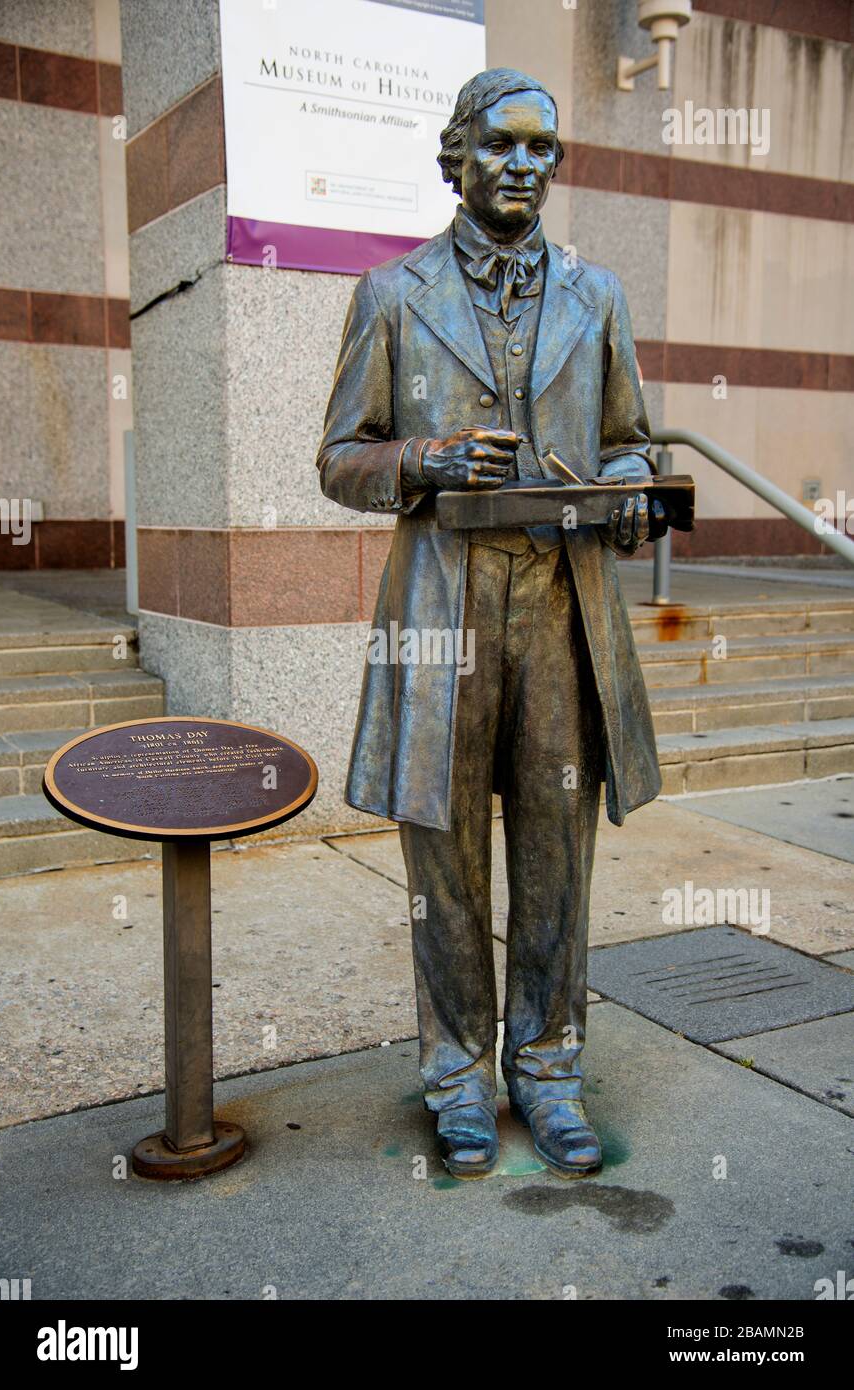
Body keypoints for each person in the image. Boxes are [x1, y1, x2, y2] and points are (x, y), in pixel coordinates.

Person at [317, 68, 665, 1179]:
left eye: (542, 149)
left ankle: (550, 1071)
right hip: (442, 617)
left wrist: (628, 492)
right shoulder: (391, 295)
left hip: (562, 609)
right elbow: (339, 458)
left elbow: (631, 442)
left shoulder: (596, 294)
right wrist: (423, 461)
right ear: (452, 159)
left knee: (557, 857)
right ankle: (459, 1076)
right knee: (446, 856)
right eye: (503, 145)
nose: (525, 165)